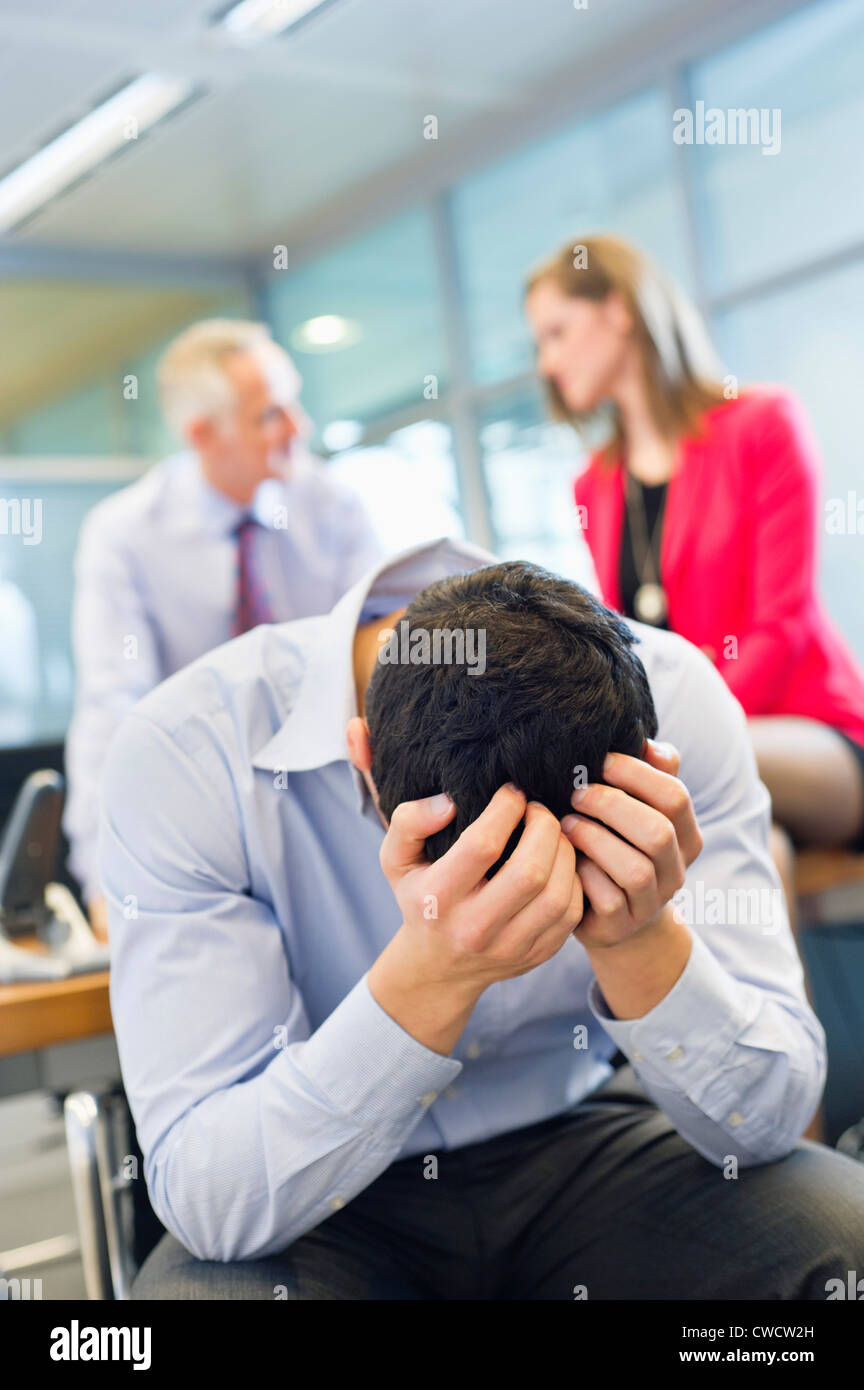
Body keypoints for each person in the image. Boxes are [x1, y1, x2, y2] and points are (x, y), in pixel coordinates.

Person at [99, 538, 864, 1299]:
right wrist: (428, 978)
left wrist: (639, 938)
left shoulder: (668, 703)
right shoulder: (188, 752)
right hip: (327, 1208)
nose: (525, 900)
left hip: (584, 1131)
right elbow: (208, 1198)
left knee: (844, 1247)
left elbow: (766, 1123)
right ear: (362, 758)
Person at [523, 235, 864, 921]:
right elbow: (631, 649)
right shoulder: (596, 485)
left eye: (557, 333)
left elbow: (782, 627)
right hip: (695, 758)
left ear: (618, 309)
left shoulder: (763, 422)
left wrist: (678, 732)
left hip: (810, 737)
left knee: (631, 782)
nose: (548, 362)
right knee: (750, 856)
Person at [63, 318, 382, 937]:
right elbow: (111, 703)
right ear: (202, 435)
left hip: (339, 791)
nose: (299, 429)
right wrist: (102, 876)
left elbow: (381, 662)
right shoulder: (125, 535)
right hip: (201, 807)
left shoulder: (332, 507)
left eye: (294, 404)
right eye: (271, 415)